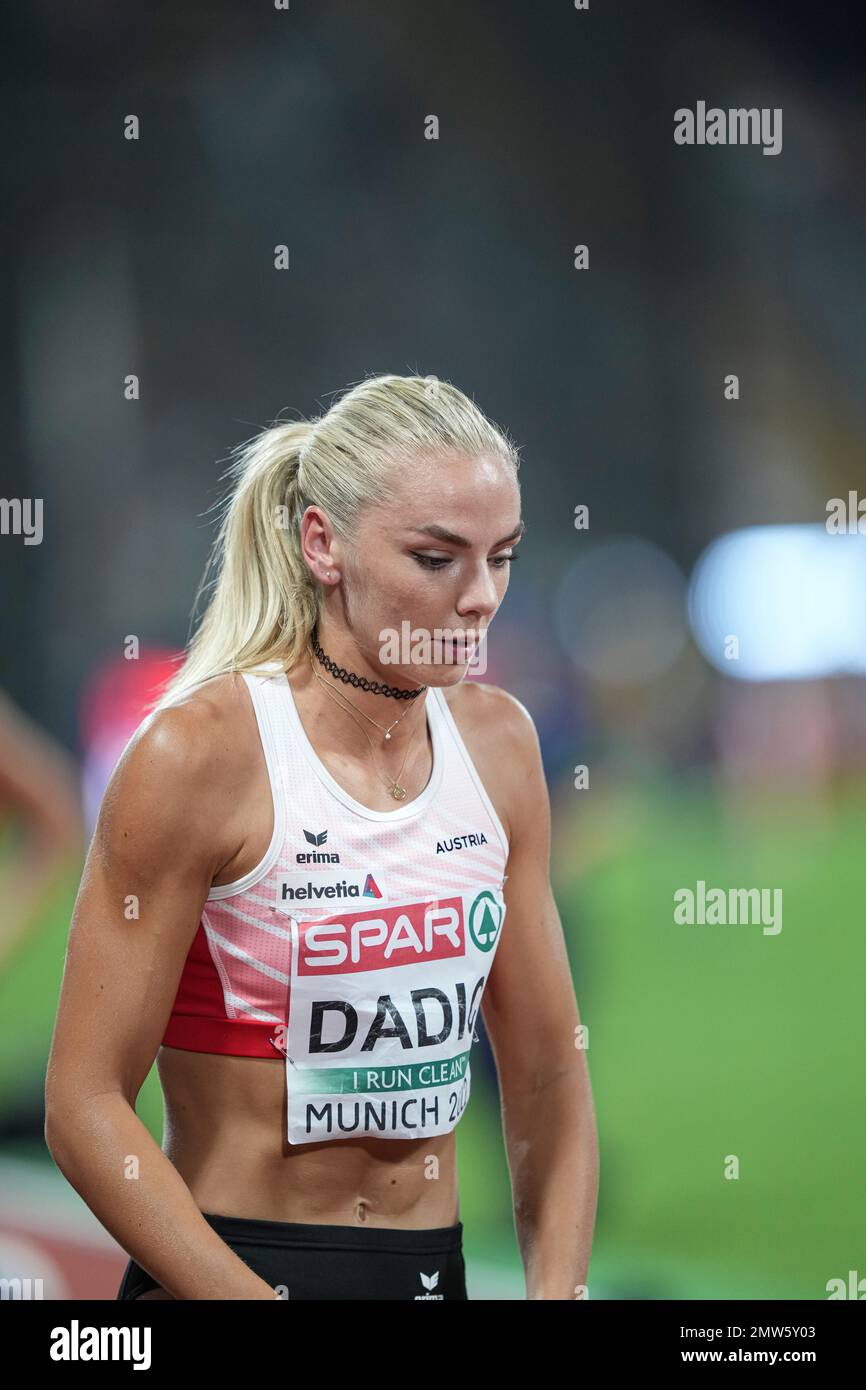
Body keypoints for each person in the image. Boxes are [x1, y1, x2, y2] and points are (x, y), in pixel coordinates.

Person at [44, 373, 598, 1300]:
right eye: (436, 559)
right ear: (322, 544)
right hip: (229, 1272)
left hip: (429, 1274)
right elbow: (84, 1103)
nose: (481, 599)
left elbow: (546, 1071)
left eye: (502, 556)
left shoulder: (500, 747)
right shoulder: (197, 754)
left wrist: (557, 1296)